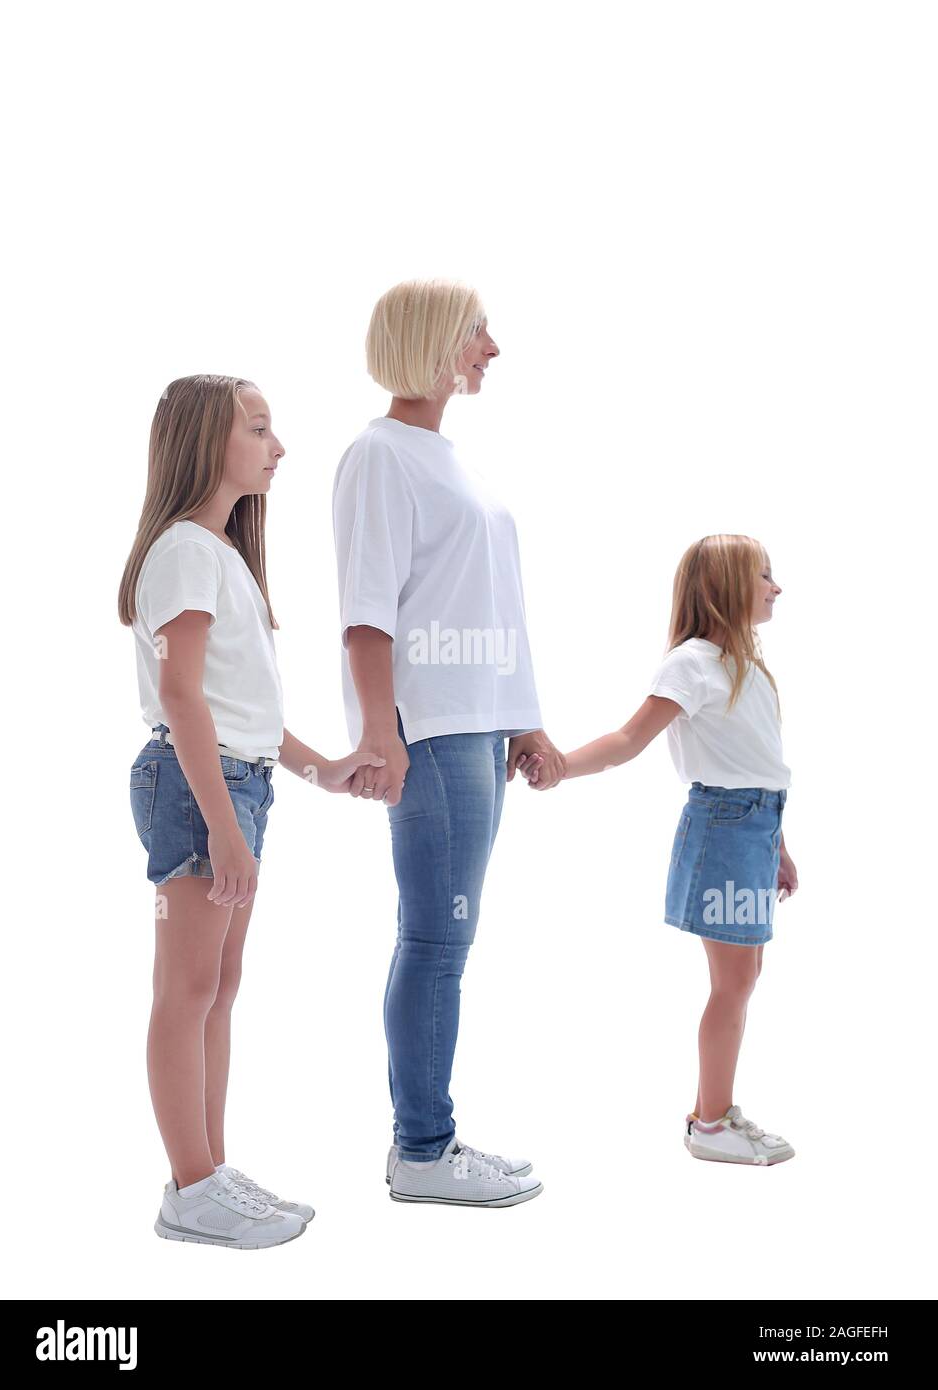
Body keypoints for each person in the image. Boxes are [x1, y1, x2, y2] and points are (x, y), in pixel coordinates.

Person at [119, 374, 384, 1246]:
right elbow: (182, 699)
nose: (278, 446)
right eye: (259, 429)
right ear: (206, 442)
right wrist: (226, 832)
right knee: (188, 988)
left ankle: (209, 1175)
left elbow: (246, 713)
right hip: (200, 787)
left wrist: (325, 769)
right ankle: (189, 1189)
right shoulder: (187, 550)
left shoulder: (219, 554)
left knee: (217, 988)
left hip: (234, 780)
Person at [332, 279, 563, 1206]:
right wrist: (379, 732)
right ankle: (423, 1150)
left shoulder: (448, 459)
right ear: (431, 339)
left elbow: (496, 607)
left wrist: (528, 718)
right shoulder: (378, 456)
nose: (492, 349)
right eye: (478, 332)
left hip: (480, 728)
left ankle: (432, 1139)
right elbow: (365, 616)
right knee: (435, 937)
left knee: (447, 939)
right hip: (430, 734)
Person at [518, 534, 799, 1166]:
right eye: (764, 576)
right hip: (724, 830)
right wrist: (561, 766)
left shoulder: (750, 669)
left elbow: (759, 765)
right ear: (725, 585)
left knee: (746, 976)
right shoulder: (692, 664)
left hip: (754, 828)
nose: (776, 588)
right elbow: (628, 738)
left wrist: (778, 844)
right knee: (733, 981)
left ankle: (714, 1113)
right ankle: (711, 1122)